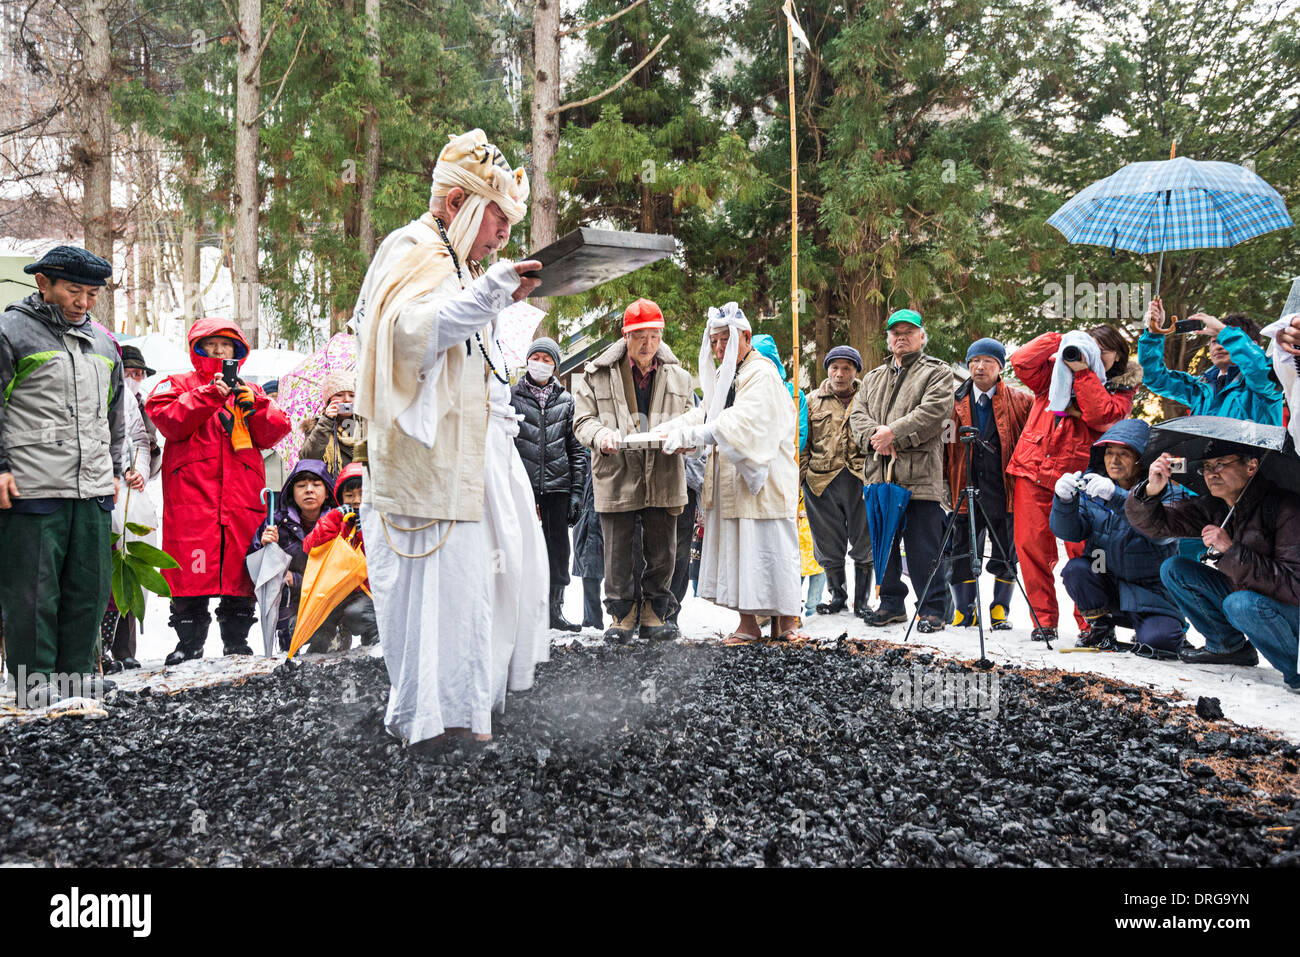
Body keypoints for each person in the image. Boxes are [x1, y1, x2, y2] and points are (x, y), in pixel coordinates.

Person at [353, 128, 548, 746]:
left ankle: (472, 705)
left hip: (479, 456)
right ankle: (433, 718)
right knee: (443, 589)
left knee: (491, 579)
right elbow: (411, 334)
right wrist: (494, 290)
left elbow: (478, 361)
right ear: (459, 203)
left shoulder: (462, 264)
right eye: (498, 219)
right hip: (430, 463)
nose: (503, 238)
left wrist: (501, 409)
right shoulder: (413, 248)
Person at [0, 246, 124, 705]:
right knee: (33, 592)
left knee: (87, 588)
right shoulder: (10, 332)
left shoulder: (104, 343)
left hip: (91, 487)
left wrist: (113, 468)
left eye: (92, 294)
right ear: (43, 284)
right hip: (31, 485)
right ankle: (34, 685)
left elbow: (115, 412)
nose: (83, 302)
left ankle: (74, 681)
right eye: (74, 290)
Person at [146, 318, 291, 665]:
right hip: (192, 500)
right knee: (189, 573)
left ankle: (237, 642)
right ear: (197, 349)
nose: (218, 351)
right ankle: (189, 643)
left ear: (237, 351)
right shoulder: (177, 384)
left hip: (242, 497)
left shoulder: (251, 391)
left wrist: (253, 404)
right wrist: (210, 394)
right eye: (211, 345)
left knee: (240, 571)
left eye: (225, 346)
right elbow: (168, 420)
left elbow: (275, 432)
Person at [657, 302, 805, 642]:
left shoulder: (761, 373)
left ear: (745, 336)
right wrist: (671, 429)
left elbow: (742, 421)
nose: (719, 347)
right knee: (743, 551)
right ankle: (749, 623)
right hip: (732, 482)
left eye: (726, 339)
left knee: (771, 548)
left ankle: (788, 622)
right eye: (714, 341)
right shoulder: (728, 377)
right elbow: (707, 414)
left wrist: (692, 436)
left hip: (763, 480)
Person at [1005, 324, 1139, 642]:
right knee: (1031, 548)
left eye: (1102, 350)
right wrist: (1061, 339)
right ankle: (1044, 620)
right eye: (1089, 346)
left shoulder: (1122, 389)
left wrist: (1083, 373)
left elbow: (1100, 416)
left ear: (1118, 356)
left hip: (1081, 480)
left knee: (1086, 551)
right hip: (1033, 469)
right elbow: (1022, 362)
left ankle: (1090, 620)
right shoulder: (1054, 371)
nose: (1093, 353)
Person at [571, 297, 694, 643]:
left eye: (654, 336)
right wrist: (600, 435)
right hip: (616, 470)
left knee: (663, 547)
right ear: (626, 336)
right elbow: (582, 420)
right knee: (617, 548)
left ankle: (656, 611)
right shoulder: (597, 375)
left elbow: (693, 415)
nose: (647, 344)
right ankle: (622, 615)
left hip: (663, 470)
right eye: (640, 336)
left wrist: (682, 435)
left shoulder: (679, 377)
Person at [1126, 444, 1300, 688]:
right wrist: (1150, 490)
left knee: (1238, 603)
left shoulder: (1287, 508)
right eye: (1206, 467)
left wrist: (1231, 551)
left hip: (1288, 611)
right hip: (1248, 595)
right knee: (1175, 569)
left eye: (1220, 464)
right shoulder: (1217, 506)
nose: (1211, 474)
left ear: (1251, 467)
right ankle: (1228, 647)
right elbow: (1158, 525)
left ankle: (1294, 672)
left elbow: (1295, 585)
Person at [848, 309, 955, 632]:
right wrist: (876, 438)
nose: (901, 338)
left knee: (924, 546)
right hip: (878, 475)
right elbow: (857, 415)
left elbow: (935, 412)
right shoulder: (873, 377)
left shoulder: (937, 372)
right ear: (888, 338)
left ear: (922, 336)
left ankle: (933, 607)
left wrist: (892, 433)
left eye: (909, 332)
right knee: (884, 543)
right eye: (896, 333)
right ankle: (891, 603)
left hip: (919, 475)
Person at [1049, 419, 1188, 656]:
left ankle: (1155, 627)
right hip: (1108, 579)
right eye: (1109, 452)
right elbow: (1070, 532)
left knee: (1161, 641)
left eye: (1124, 453)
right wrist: (1063, 502)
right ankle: (1100, 626)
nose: (1114, 460)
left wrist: (1116, 497)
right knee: (1077, 569)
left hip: (1151, 588)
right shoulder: (1094, 487)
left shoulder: (1170, 491)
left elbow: (1161, 536)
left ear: (1142, 458)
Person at [943, 337, 1033, 629]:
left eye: (988, 362)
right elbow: (944, 448)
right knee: (962, 547)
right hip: (963, 484)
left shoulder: (1021, 401)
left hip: (1004, 487)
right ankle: (964, 610)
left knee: (1007, 548)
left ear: (999, 367)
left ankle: (999, 610)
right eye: (974, 362)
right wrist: (945, 484)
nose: (980, 367)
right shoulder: (952, 403)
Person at [511, 336, 587, 632]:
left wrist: (577, 491)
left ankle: (555, 609)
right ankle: (525, 610)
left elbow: (576, 448)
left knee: (557, 550)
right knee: (523, 548)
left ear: (555, 365)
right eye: (536, 357)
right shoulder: (512, 396)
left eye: (547, 359)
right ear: (528, 360)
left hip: (558, 485)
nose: (540, 364)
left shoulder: (567, 400)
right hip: (523, 486)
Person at [99, 344, 163, 671]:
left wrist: (139, 469)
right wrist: (116, 470)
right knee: (107, 571)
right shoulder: (104, 394)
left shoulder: (143, 408)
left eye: (140, 374)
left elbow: (147, 448)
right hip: (104, 493)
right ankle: (102, 648)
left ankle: (124, 649)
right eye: (131, 372)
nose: (136, 378)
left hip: (132, 499)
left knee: (131, 569)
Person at [802, 344, 872, 617]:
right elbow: (803, 442)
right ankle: (837, 597)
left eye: (846, 368)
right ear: (827, 370)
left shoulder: (868, 399)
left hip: (860, 479)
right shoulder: (810, 401)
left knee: (865, 542)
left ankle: (863, 601)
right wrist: (801, 479)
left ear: (855, 372)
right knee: (827, 543)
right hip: (821, 482)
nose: (839, 374)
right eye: (834, 368)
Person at [248, 458, 337, 652]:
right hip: (289, 602)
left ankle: (333, 634)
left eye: (316, 484)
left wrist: (296, 579)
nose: (309, 490)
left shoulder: (338, 522)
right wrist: (266, 547)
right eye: (301, 485)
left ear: (327, 490)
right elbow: (256, 568)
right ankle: (287, 637)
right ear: (291, 491)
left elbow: (341, 571)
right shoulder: (276, 522)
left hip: (326, 599)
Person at [1141, 302, 1282, 423]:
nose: (1219, 346)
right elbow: (1155, 377)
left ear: (1253, 345)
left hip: (1252, 455)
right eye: (1214, 341)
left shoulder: (1264, 384)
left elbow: (1261, 372)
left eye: (1225, 340)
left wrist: (1223, 330)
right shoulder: (1199, 388)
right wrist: (1153, 334)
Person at [298, 462, 379, 649]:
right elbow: (310, 546)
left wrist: (363, 533)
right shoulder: (338, 522)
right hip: (339, 590)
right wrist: (333, 518)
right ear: (341, 499)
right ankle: (322, 647)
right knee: (319, 612)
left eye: (362, 494)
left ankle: (375, 643)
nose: (357, 500)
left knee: (357, 613)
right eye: (349, 496)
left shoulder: (379, 523)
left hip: (368, 592)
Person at [300, 370, 359, 480]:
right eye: (339, 395)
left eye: (352, 395)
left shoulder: (366, 425)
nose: (347, 399)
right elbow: (308, 459)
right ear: (329, 400)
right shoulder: (317, 427)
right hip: (331, 489)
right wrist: (326, 420)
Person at [571, 454, 605, 630]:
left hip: (607, 508)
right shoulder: (581, 455)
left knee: (623, 567)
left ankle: (625, 615)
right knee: (589, 566)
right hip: (587, 513)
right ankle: (592, 619)